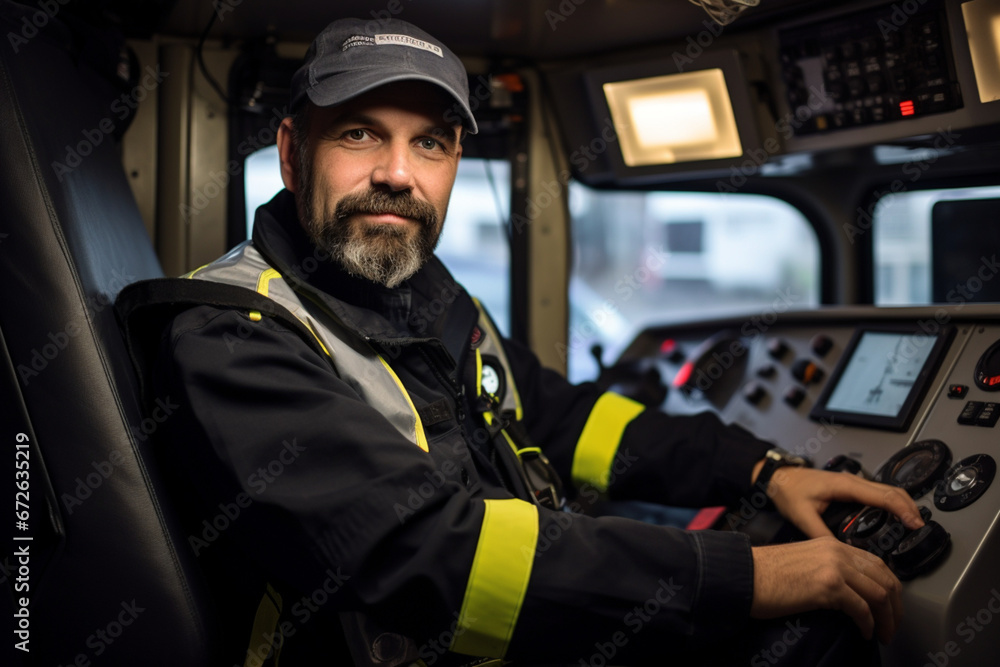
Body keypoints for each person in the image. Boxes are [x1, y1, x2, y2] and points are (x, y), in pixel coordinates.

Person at [143, 16, 926, 667]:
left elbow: (564, 418)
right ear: (290, 153)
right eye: (358, 134)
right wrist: (741, 574)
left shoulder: (431, 301)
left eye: (431, 143)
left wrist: (760, 469)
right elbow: (427, 557)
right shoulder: (232, 335)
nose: (397, 173)